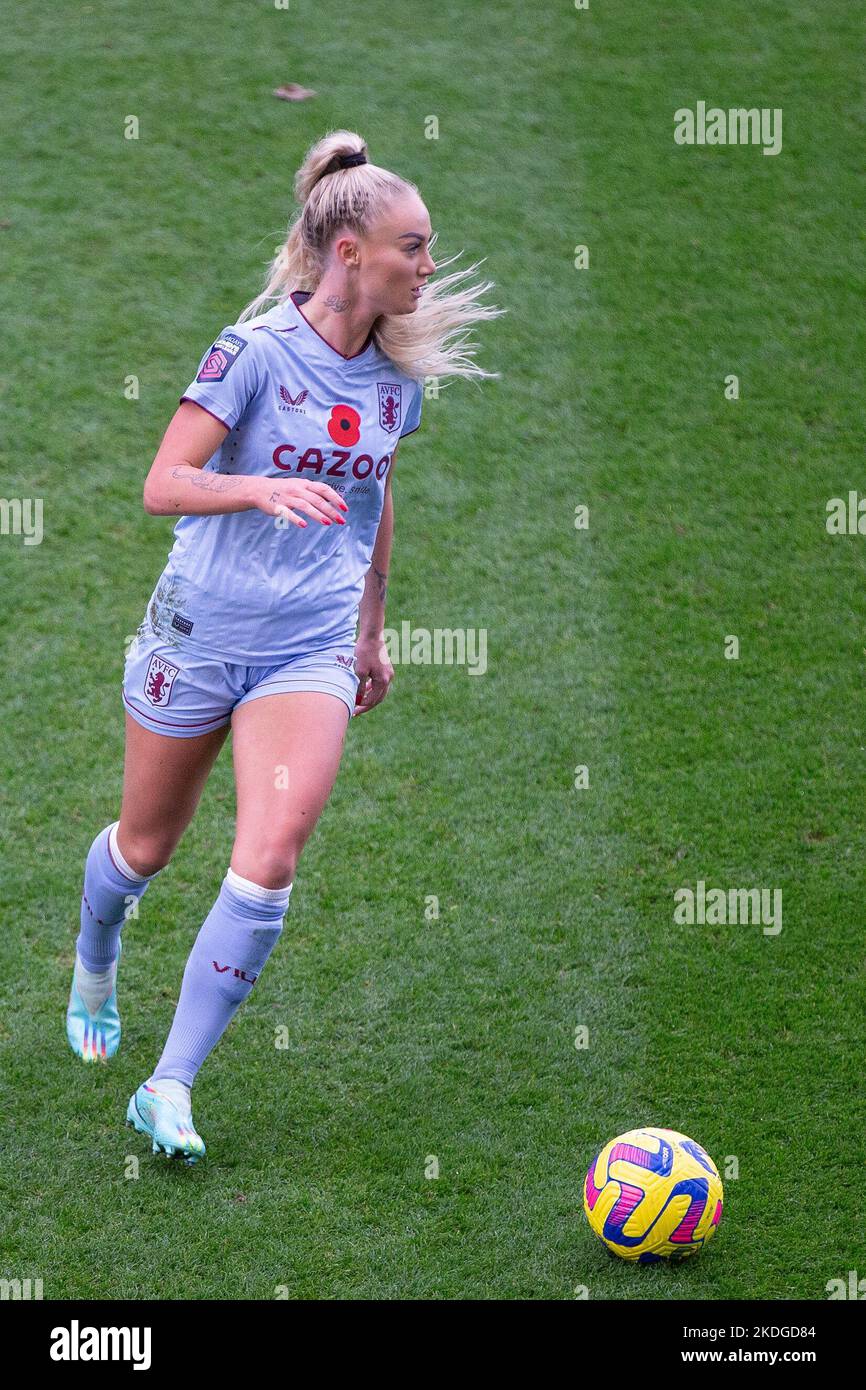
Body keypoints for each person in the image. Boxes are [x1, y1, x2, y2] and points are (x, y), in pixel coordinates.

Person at [67, 129, 503, 1163]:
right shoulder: (253, 352)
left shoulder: (395, 382)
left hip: (304, 649)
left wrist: (368, 627)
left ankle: (169, 1084)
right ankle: (96, 946)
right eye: (413, 245)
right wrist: (256, 483)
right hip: (201, 629)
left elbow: (375, 491)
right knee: (147, 845)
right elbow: (162, 483)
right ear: (348, 250)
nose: (427, 266)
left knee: (268, 858)